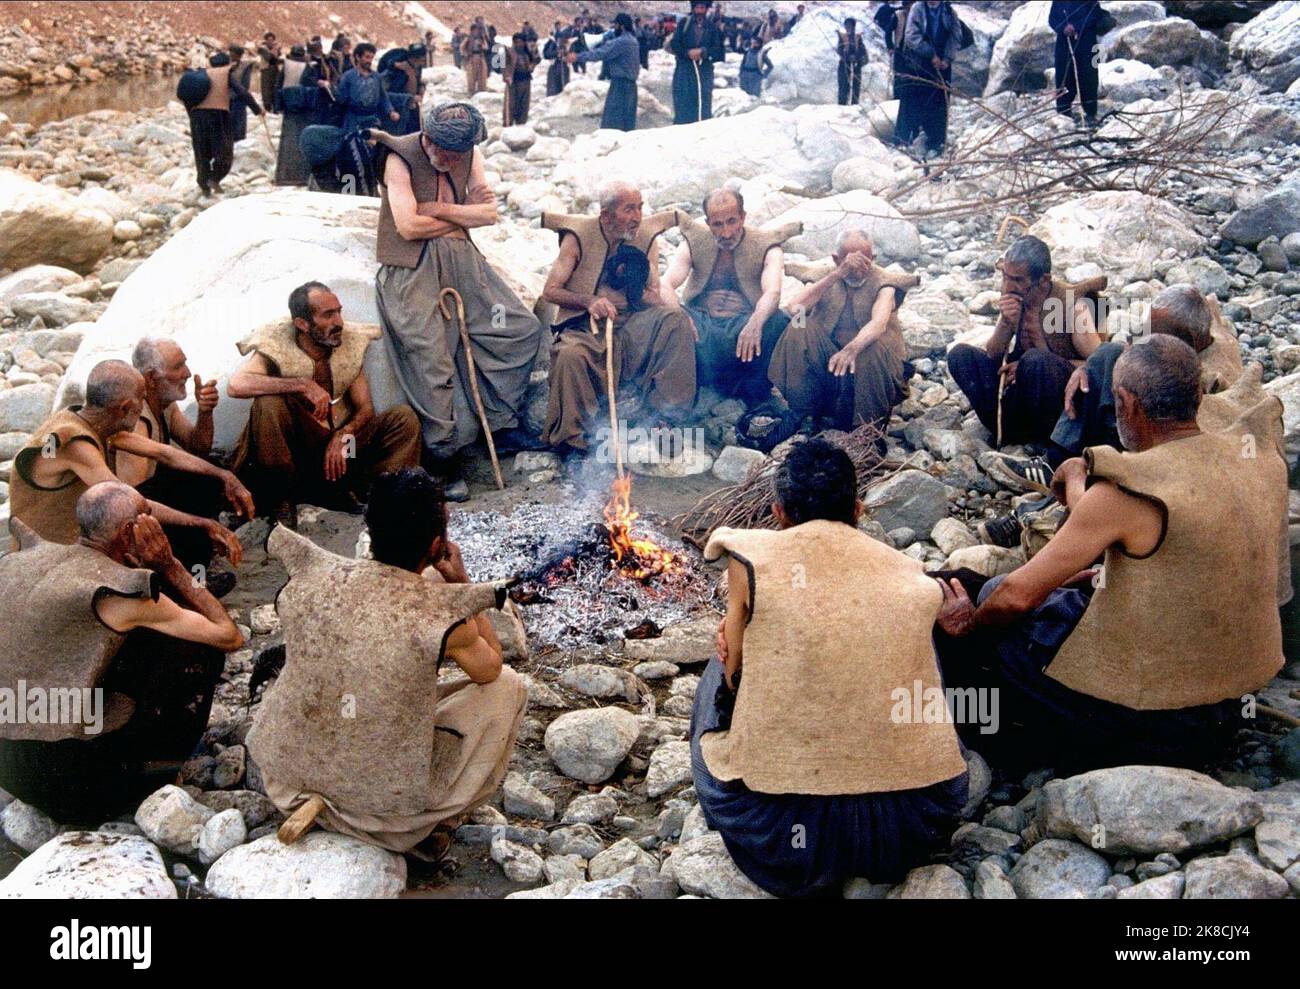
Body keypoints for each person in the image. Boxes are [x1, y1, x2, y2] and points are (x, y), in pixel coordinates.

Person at [935, 337, 1287, 773]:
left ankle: (983, 743)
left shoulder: (1126, 491)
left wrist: (969, 630)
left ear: (1126, 402)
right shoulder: (1252, 457)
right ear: (1197, 397)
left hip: (1145, 728)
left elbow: (1015, 597)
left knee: (957, 604)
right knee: (1013, 590)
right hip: (1225, 709)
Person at [692, 438, 970, 897]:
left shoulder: (750, 559)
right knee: (919, 651)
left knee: (718, 663)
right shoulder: (911, 576)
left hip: (782, 832)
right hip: (911, 825)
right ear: (859, 509)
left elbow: (732, 679)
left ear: (780, 512)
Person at [249, 468, 527, 860]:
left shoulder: (321, 573)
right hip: (380, 818)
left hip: (286, 785)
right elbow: (490, 669)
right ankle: (429, 825)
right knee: (509, 687)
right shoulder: (437, 612)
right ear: (435, 544)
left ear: (371, 531)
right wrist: (460, 583)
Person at [0, 483, 243, 824]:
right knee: (198, 647)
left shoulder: (23, 559)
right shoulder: (121, 593)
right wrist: (170, 565)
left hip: (9, 763)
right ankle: (156, 769)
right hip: (71, 788)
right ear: (132, 531)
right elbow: (229, 636)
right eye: (148, 515)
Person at [371, 103, 546, 501]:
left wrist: (441, 209)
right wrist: (463, 214)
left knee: (517, 328)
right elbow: (409, 226)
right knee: (431, 359)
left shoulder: (470, 152)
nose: (449, 160)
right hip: (411, 270)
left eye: (456, 154)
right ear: (427, 138)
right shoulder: (399, 158)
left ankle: (497, 424)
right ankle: (443, 457)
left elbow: (487, 215)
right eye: (443, 151)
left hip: (462, 262)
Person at [8, 360, 250, 562]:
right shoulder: (75, 442)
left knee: (194, 481)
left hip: (75, 541)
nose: (145, 404)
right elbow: (127, 502)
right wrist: (202, 524)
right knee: (149, 519)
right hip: (46, 556)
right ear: (124, 408)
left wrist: (224, 475)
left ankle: (194, 576)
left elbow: (165, 453)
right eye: (142, 399)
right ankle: (187, 585)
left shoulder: (98, 422)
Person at [228, 282, 421, 527]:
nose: (338, 321)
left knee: (403, 418)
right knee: (268, 403)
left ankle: (381, 494)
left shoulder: (346, 346)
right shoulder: (279, 346)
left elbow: (366, 408)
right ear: (302, 324)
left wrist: (344, 434)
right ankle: (282, 501)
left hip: (340, 455)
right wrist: (301, 384)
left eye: (338, 312)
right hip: (296, 456)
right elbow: (236, 385)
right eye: (328, 315)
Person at [540, 183, 697, 455]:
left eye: (640, 207)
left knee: (675, 321)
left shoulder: (646, 238)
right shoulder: (577, 237)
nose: (637, 216)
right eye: (629, 209)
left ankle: (667, 418)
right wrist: (590, 301)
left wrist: (633, 296)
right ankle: (575, 440)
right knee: (569, 355)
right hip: (585, 325)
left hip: (632, 324)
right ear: (606, 215)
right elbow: (550, 291)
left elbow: (654, 294)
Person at [946, 236, 1106, 490]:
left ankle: (1047, 445)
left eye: (1017, 280)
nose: (1008, 286)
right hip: (1021, 399)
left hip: (1061, 409)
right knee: (961, 356)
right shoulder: (1016, 300)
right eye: (1005, 277)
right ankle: (1008, 433)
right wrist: (1006, 323)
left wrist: (1036, 363)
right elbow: (994, 354)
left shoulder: (1070, 306)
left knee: (1035, 362)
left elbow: (1099, 367)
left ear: (1042, 280)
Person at [768, 230, 919, 439]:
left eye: (864, 261)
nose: (857, 269)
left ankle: (867, 432)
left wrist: (852, 349)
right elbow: (794, 308)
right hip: (831, 370)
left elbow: (878, 323)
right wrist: (838, 274)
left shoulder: (885, 283)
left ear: (873, 259)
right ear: (836, 259)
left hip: (870, 375)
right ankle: (805, 413)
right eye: (850, 261)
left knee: (871, 346)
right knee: (798, 325)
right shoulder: (825, 275)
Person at [663, 189, 796, 406]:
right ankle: (681, 399)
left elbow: (772, 292)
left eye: (732, 221)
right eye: (717, 224)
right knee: (664, 317)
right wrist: (681, 317)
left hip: (742, 326)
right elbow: (665, 284)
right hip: (701, 326)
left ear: (743, 217)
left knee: (779, 321)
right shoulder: (693, 242)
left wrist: (755, 322)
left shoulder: (766, 245)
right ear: (708, 223)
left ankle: (755, 395)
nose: (726, 233)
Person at [116, 339, 232, 581]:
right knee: (192, 498)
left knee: (207, 474)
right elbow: (133, 500)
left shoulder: (163, 404)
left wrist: (205, 412)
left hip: (152, 503)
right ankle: (194, 583)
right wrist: (194, 521)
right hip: (137, 516)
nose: (187, 373)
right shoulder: (139, 421)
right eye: (178, 367)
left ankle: (200, 569)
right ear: (150, 377)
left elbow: (198, 446)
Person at [187, 50, 264, 197]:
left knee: (201, 152)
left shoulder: (201, 74)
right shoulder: (225, 74)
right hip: (218, 115)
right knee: (225, 151)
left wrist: (192, 115)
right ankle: (214, 178)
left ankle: (204, 185)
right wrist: (257, 109)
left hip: (198, 117)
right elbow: (242, 92)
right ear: (225, 64)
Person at [902, 0, 959, 157]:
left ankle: (937, 141)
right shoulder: (917, 9)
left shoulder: (949, 11)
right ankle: (916, 139)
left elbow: (956, 36)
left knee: (940, 101)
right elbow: (911, 36)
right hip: (922, 63)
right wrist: (930, 54)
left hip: (943, 65)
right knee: (920, 100)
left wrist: (947, 59)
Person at [567, 13, 641, 131]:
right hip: (630, 87)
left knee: (612, 125)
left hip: (620, 87)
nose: (613, 28)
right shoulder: (633, 40)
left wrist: (577, 57)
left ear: (621, 26)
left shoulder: (622, 42)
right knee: (627, 125)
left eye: (615, 25)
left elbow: (599, 53)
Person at [274, 45, 323, 186]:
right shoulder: (309, 67)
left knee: (287, 143)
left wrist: (278, 106)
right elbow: (313, 89)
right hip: (303, 111)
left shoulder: (286, 66)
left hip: (289, 110)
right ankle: (300, 176)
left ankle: (283, 177)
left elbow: (278, 86)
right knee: (300, 142)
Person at [671, 0, 726, 125]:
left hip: (704, 72)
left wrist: (703, 52)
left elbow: (718, 50)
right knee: (683, 102)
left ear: (706, 9)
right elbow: (675, 44)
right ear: (693, 8)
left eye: (703, 7)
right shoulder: (684, 24)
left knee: (703, 103)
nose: (700, 11)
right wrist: (687, 53)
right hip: (684, 71)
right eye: (698, 7)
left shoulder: (712, 28)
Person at [1050, 1, 1102, 128]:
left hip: (1088, 42)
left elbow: (1096, 16)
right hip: (1064, 43)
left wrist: (1076, 27)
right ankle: (1063, 111)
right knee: (1063, 75)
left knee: (1090, 75)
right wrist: (1063, 28)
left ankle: (1090, 111)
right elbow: (1052, 19)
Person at [334, 43, 400, 134]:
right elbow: (341, 99)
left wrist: (391, 112)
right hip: (353, 120)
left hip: (372, 118)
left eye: (371, 58)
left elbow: (383, 97)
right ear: (358, 57)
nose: (369, 61)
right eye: (367, 57)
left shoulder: (376, 77)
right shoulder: (348, 76)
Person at [877, 1, 918, 147]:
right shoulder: (898, 16)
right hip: (901, 53)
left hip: (916, 55)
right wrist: (890, 47)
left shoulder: (919, 15)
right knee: (901, 83)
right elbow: (888, 32)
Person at [503, 33, 541, 127]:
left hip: (525, 80)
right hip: (513, 81)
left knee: (523, 104)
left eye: (520, 42)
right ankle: (508, 124)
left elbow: (537, 59)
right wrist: (506, 76)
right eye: (516, 42)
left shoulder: (527, 52)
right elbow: (503, 65)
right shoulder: (510, 52)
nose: (518, 44)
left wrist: (532, 65)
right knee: (511, 104)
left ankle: (521, 124)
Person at [837, 17, 869, 106]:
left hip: (856, 64)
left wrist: (856, 57)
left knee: (856, 85)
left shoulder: (857, 37)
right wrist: (846, 56)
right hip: (844, 64)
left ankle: (854, 104)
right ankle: (842, 104)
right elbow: (839, 49)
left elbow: (862, 50)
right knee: (843, 85)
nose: (848, 27)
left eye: (850, 25)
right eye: (846, 25)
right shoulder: (842, 36)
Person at [228, 46, 256, 143]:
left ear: (238, 55)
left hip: (239, 98)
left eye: (232, 54)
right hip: (227, 99)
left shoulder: (245, 67)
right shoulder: (227, 65)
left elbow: (245, 85)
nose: (230, 55)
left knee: (238, 124)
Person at [463, 23, 490, 96]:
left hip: (480, 58)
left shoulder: (482, 39)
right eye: (474, 30)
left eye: (477, 30)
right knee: (471, 76)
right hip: (472, 58)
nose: (476, 32)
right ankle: (471, 91)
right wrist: (466, 54)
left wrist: (481, 45)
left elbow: (486, 47)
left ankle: (481, 91)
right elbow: (462, 48)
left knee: (482, 75)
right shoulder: (468, 39)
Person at [258, 33, 281, 113]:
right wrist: (274, 51)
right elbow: (269, 58)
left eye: (272, 40)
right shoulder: (263, 49)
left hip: (275, 70)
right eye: (268, 40)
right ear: (266, 40)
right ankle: (267, 108)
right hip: (266, 70)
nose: (270, 42)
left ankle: (275, 107)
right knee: (266, 90)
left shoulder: (276, 48)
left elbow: (277, 59)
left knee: (275, 89)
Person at [545, 32, 571, 97]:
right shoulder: (552, 44)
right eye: (561, 39)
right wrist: (557, 53)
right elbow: (547, 54)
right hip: (554, 69)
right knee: (553, 90)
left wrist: (566, 54)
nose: (562, 40)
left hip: (564, 69)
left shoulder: (568, 45)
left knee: (564, 89)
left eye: (564, 39)